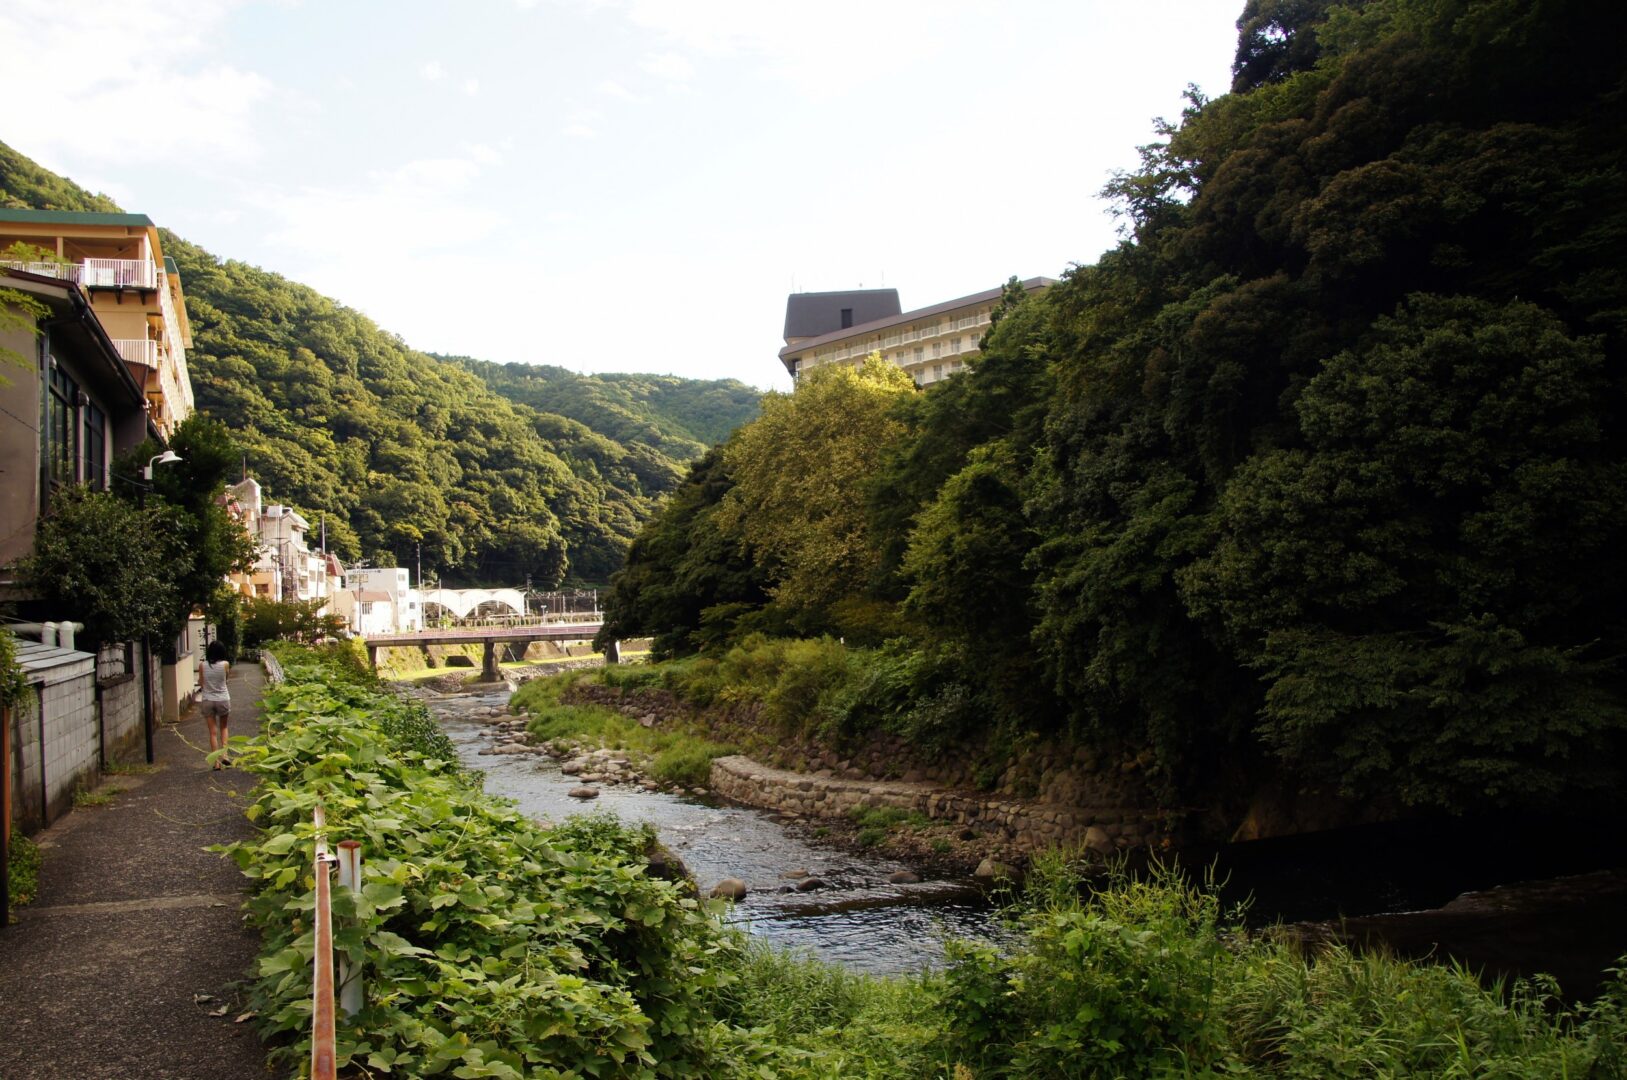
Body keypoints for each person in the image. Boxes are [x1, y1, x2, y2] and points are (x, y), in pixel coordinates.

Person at [197, 640, 232, 769]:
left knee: (212, 732)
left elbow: (201, 682)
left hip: (207, 700)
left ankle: (216, 762)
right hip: (222, 698)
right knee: (224, 727)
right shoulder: (225, 664)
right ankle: (225, 756)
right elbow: (226, 680)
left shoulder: (202, 665)